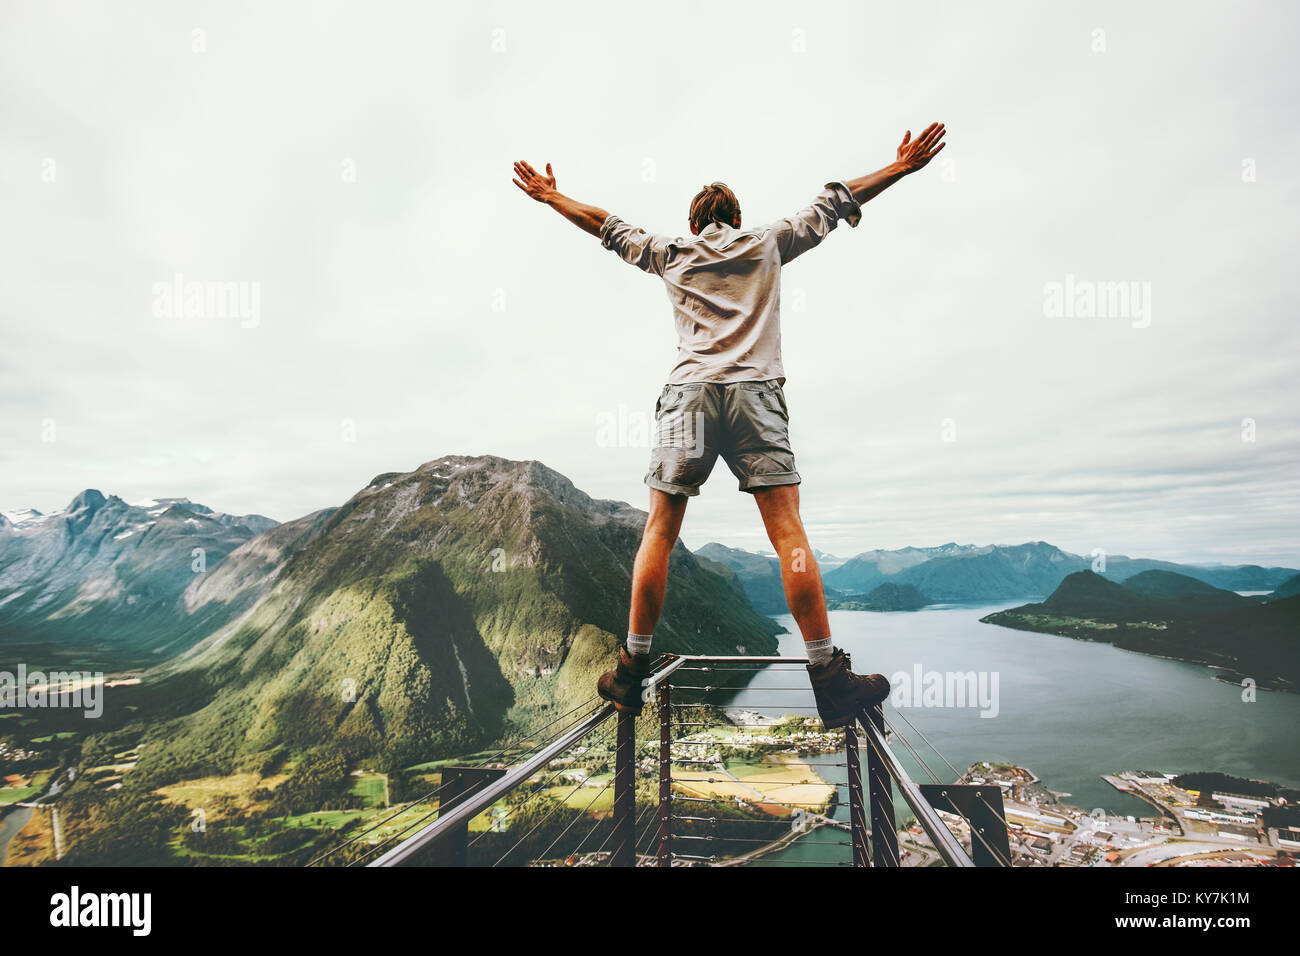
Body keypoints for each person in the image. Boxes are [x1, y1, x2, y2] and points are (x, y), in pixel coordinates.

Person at [511, 122, 948, 729]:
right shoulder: (766, 243)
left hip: (688, 396)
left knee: (659, 531)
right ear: (735, 220)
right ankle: (829, 677)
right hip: (756, 396)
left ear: (694, 225)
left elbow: (604, 225)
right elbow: (838, 198)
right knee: (788, 534)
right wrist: (899, 168)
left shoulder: (673, 252)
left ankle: (631, 671)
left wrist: (550, 197)